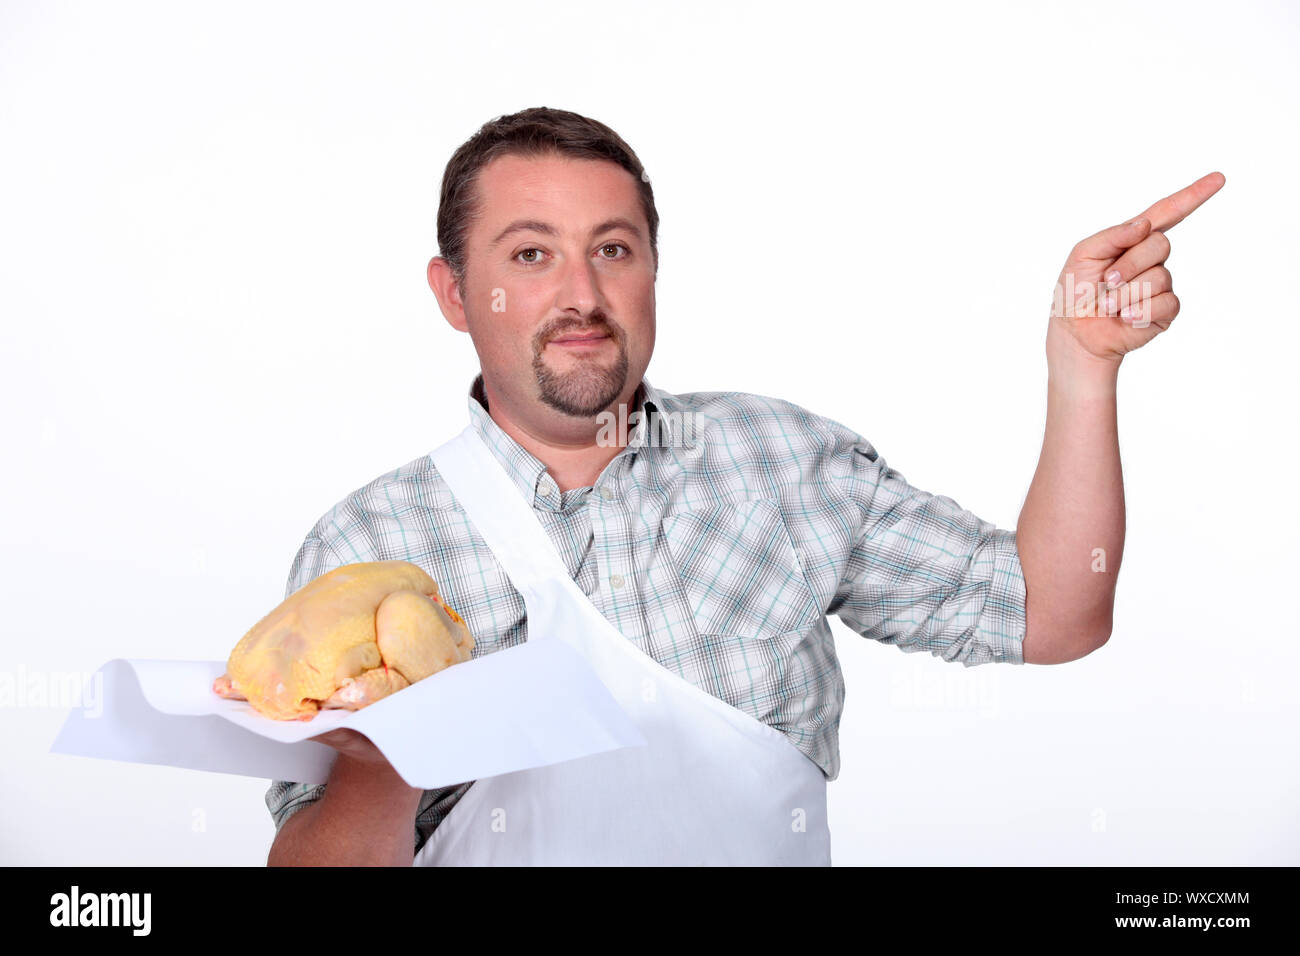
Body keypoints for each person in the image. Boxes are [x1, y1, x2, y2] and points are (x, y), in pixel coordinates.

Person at [264, 106, 1225, 866]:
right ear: (453, 292)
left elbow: (1055, 614)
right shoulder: (371, 548)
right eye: (530, 254)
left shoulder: (776, 460)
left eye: (613, 248)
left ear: (651, 269)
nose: (582, 296)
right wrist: (382, 763)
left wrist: (1082, 364)